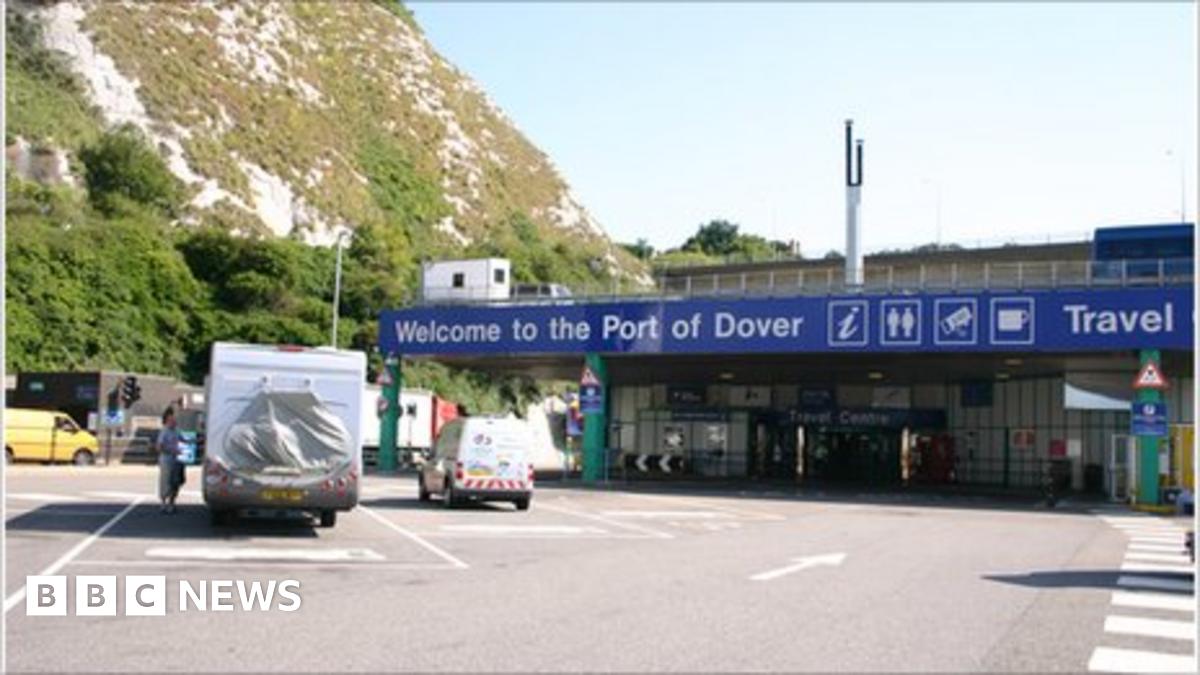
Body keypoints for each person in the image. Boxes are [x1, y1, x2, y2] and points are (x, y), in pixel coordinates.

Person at [156, 408, 184, 514]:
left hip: (176, 459)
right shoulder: (164, 431)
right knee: (165, 481)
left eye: (175, 420)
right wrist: (171, 450)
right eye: (172, 421)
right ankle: (163, 503)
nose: (174, 422)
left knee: (175, 481)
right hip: (166, 460)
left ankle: (172, 502)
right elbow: (159, 447)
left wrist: (199, 441)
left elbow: (183, 439)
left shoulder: (177, 431)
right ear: (167, 421)